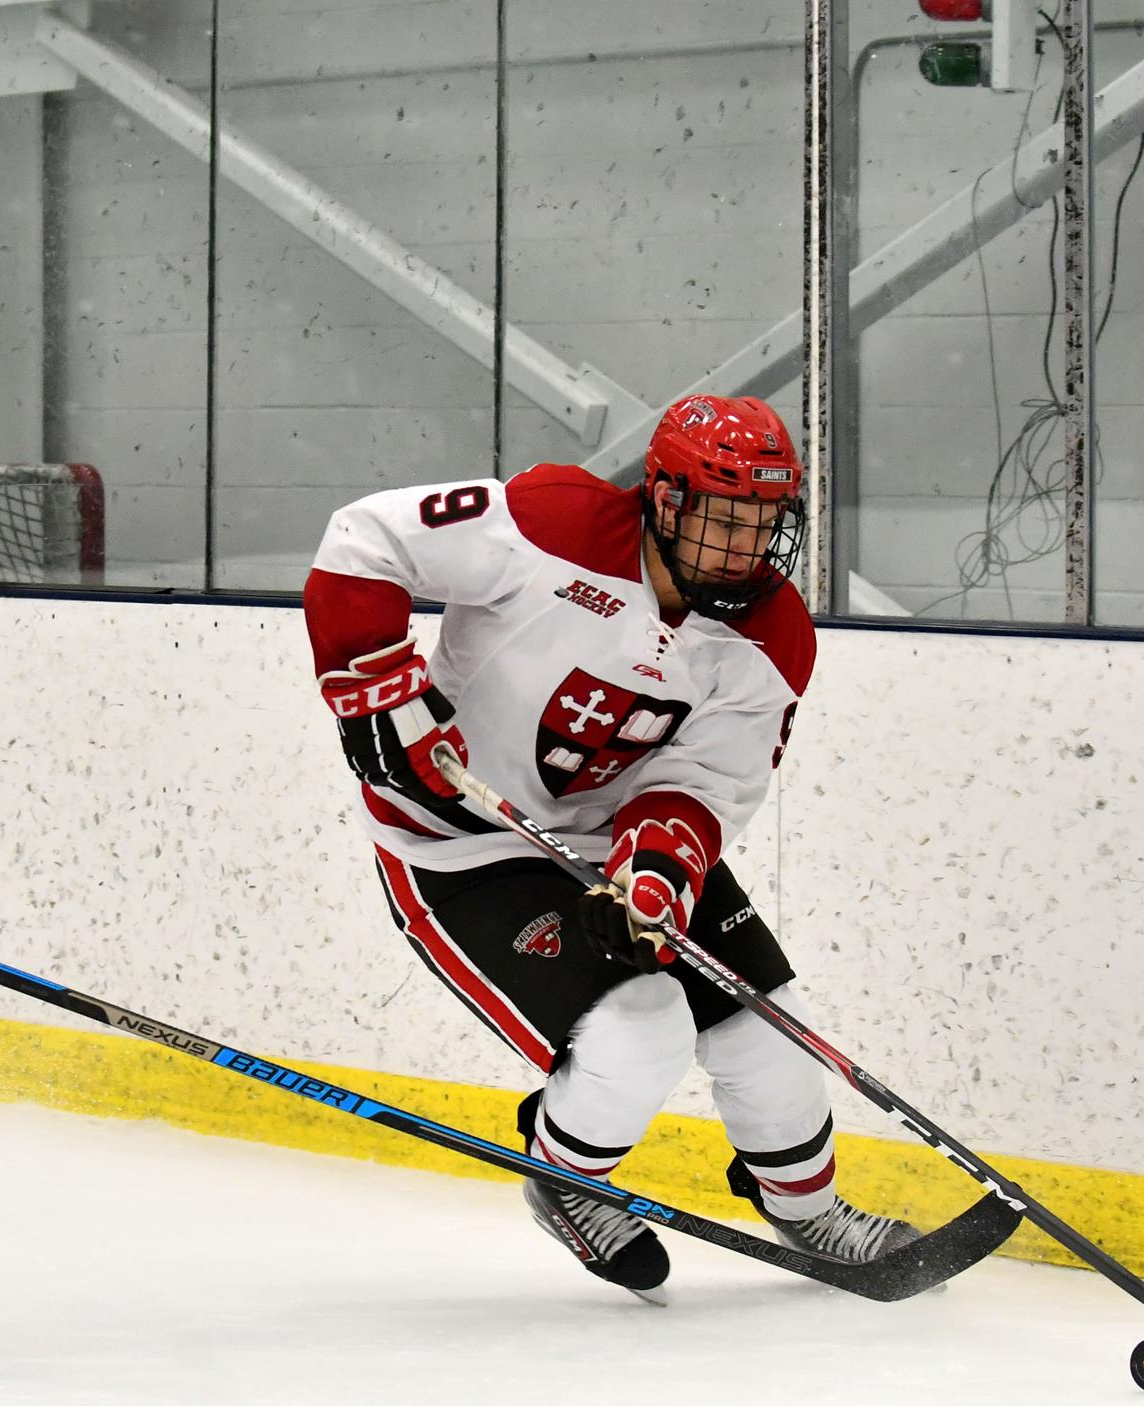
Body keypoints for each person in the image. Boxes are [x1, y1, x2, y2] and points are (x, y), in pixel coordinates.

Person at [301, 394, 918, 1300]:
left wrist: (663, 863)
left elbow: (709, 778)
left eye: (764, 525)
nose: (749, 549)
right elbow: (364, 539)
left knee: (770, 1025)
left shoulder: (773, 632)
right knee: (641, 1029)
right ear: (665, 502)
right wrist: (380, 688)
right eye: (726, 521)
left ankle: (808, 1207)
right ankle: (568, 1180)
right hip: (459, 840)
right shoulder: (554, 522)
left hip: (612, 835)